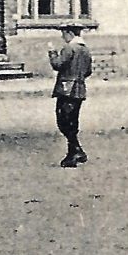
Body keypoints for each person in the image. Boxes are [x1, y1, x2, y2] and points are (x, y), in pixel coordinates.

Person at [46, 23, 94, 167]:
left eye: (64, 33)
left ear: (70, 33)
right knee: (72, 120)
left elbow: (57, 64)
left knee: (63, 121)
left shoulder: (69, 48)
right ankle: (75, 151)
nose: (62, 36)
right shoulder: (85, 50)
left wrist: (52, 52)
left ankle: (74, 152)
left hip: (66, 88)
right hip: (79, 88)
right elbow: (88, 71)